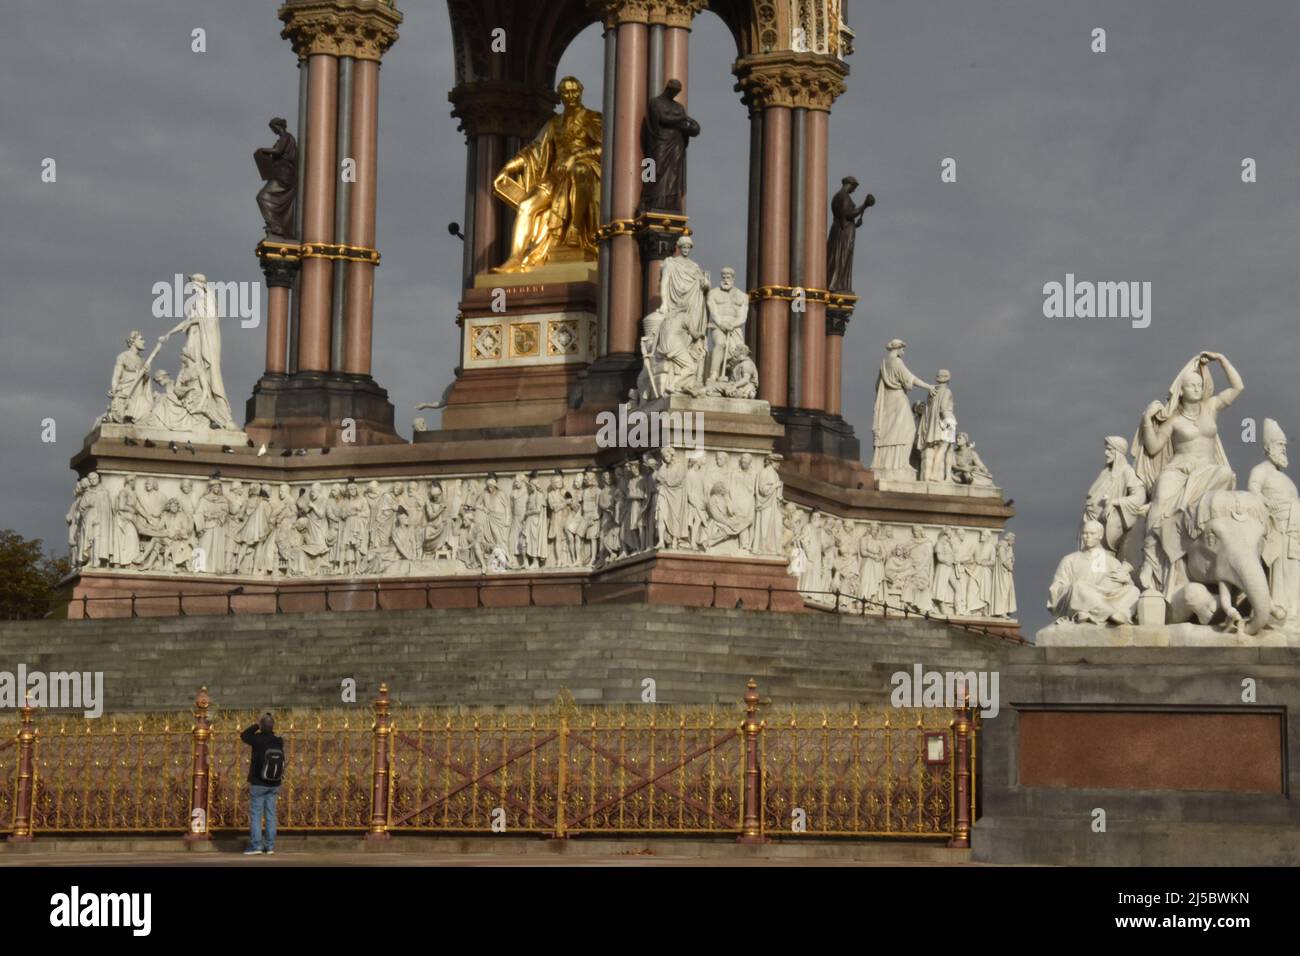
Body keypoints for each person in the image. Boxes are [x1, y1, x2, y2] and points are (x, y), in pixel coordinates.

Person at [241, 713, 286, 855]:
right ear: (272, 726)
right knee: (271, 814)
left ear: (262, 726)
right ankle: (270, 846)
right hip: (274, 783)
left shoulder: (257, 739)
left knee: (256, 814)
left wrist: (257, 725)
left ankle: (256, 846)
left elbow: (244, 735)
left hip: (258, 782)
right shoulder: (278, 741)